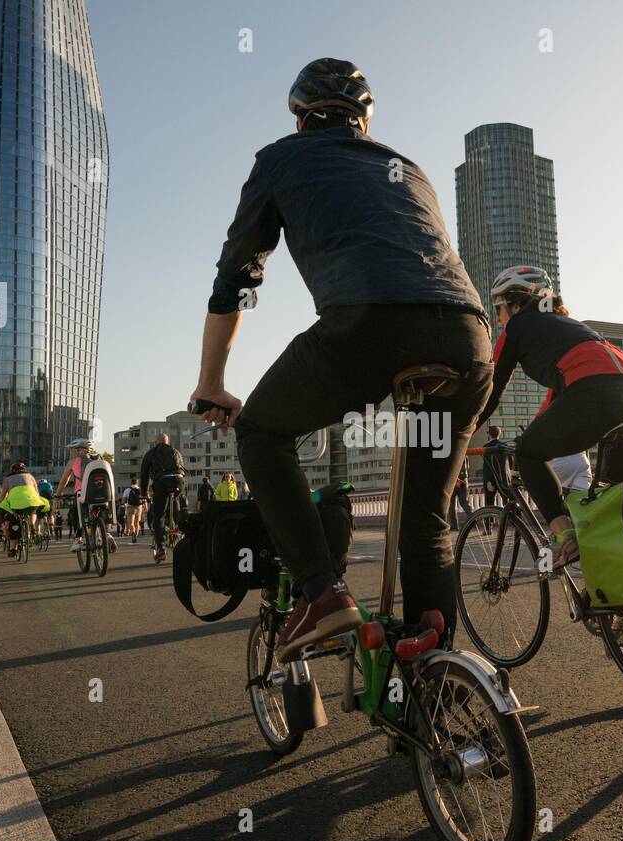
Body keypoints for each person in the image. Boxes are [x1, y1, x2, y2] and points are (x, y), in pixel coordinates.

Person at [191, 58, 492, 655]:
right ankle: (435, 671)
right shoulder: (407, 168)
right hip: (466, 337)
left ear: (300, 119)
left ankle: (322, 593)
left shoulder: (278, 160)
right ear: (365, 119)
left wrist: (212, 383)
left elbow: (236, 280)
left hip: (367, 325)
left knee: (260, 433)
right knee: (427, 518)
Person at [478, 265, 623, 566]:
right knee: (606, 506)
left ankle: (563, 536)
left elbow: (491, 388)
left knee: (527, 453)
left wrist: (465, 430)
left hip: (594, 395)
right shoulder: (570, 329)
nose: (498, 318)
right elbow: (557, 401)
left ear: (517, 304)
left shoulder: (518, 328)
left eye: (499, 308)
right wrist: (537, 428)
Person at [139, 433, 186, 562]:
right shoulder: (176, 452)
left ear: (156, 442)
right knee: (175, 498)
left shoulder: (151, 453)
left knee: (158, 514)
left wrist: (144, 494)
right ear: (168, 442)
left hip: (162, 482)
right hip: (179, 480)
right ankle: (177, 528)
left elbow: (144, 475)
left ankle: (160, 548)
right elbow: (182, 469)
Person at [0, 462, 49, 556]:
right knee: (33, 511)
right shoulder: (30, 476)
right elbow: (36, 492)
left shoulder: (7, 479)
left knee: (14, 522)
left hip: (16, 504)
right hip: (31, 501)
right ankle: (31, 524)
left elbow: (3, 496)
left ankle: (13, 548)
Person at [54, 440, 92, 550]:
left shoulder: (73, 462)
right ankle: (106, 534)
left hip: (82, 492)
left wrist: (58, 494)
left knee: (76, 514)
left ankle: (78, 540)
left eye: (72, 450)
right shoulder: (98, 459)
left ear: (79, 450)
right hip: (99, 491)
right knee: (99, 509)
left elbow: (64, 480)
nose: (71, 452)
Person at [446, 460, 471, 531]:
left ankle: (454, 526)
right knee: (464, 502)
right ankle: (472, 520)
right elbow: (466, 467)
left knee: (452, 504)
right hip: (462, 480)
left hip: (454, 480)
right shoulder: (463, 453)